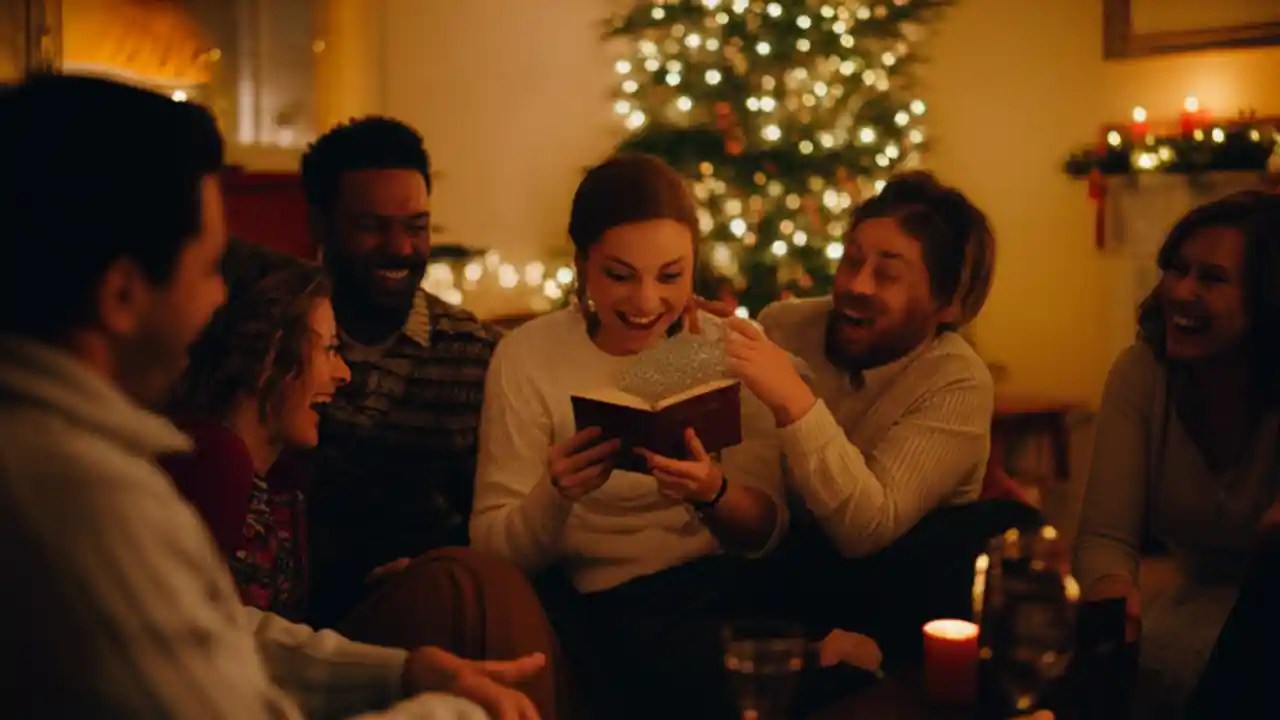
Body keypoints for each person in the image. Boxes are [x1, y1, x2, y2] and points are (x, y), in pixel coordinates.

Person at [0, 74, 542, 719]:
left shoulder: (62, 456)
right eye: (208, 271)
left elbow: (220, 629)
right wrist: (458, 715)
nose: (222, 304)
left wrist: (403, 673)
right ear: (120, 297)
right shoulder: (85, 496)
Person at [165, 239, 569, 718]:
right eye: (329, 350)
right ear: (272, 354)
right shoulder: (214, 462)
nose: (342, 374)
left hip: (299, 669)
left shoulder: (284, 473)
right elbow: (215, 643)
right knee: (465, 588)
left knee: (463, 582)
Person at [470, 154, 788, 719]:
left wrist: (713, 492)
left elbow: (765, 529)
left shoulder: (724, 347)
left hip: (722, 587)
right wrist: (555, 495)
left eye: (671, 275)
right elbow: (493, 549)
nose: (646, 304)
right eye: (619, 275)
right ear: (582, 263)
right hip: (602, 607)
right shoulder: (527, 356)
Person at [713, 172, 1034, 664]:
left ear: (943, 304)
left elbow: (865, 529)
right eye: (851, 260)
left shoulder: (956, 381)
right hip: (782, 577)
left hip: (898, 602)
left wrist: (792, 399)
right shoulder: (784, 327)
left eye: (886, 274)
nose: (855, 286)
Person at [1074, 191, 1279, 717]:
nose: (1180, 292)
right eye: (1175, 269)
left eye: (1211, 278)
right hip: (1195, 601)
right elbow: (1105, 536)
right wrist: (1112, 593)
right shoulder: (1142, 374)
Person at [299, 117, 505, 627]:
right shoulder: (278, 343)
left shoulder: (474, 353)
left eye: (416, 226)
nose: (401, 248)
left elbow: (498, 517)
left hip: (431, 607)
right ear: (321, 226)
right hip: (293, 611)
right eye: (371, 227)